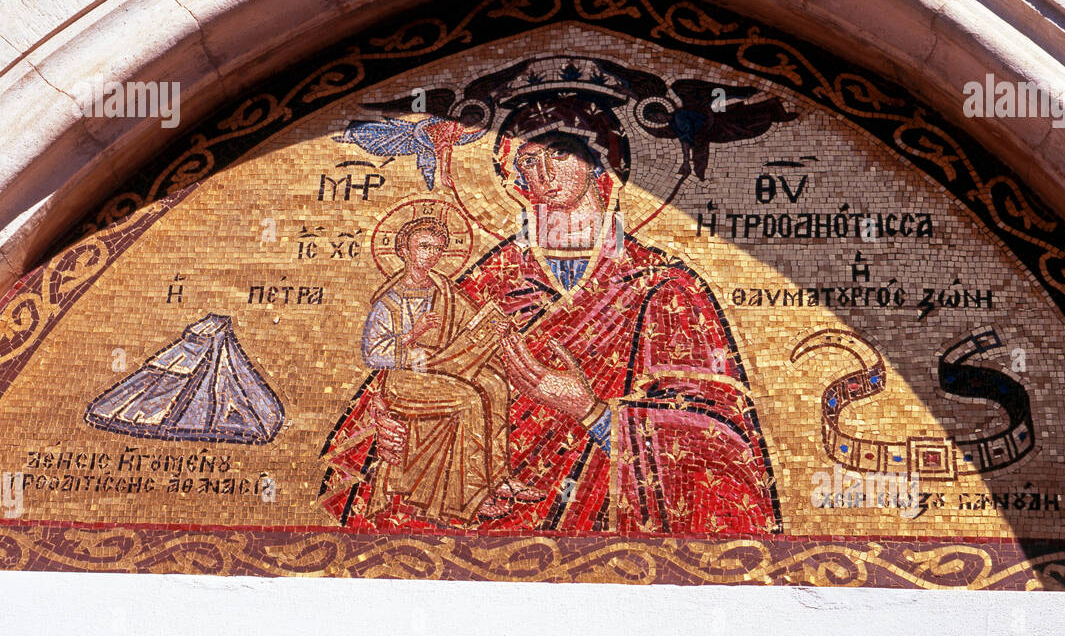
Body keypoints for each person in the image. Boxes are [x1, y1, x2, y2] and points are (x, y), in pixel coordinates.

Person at [322, 101, 781, 535]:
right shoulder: (492, 280)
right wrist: (386, 416)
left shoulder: (664, 288)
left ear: (599, 161)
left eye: (559, 153)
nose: (543, 172)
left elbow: (725, 443)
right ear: (514, 179)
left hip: (606, 519)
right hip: (478, 525)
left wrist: (591, 411)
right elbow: (417, 362)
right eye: (527, 161)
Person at [355, 216, 534, 524]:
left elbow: (471, 322)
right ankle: (473, 496)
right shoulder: (390, 301)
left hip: (445, 367)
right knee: (470, 399)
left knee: (494, 382)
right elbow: (373, 353)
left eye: (438, 248)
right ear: (405, 251)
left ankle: (499, 476)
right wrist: (411, 336)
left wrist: (493, 327)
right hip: (407, 379)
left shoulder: (444, 289)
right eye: (424, 247)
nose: (432, 254)